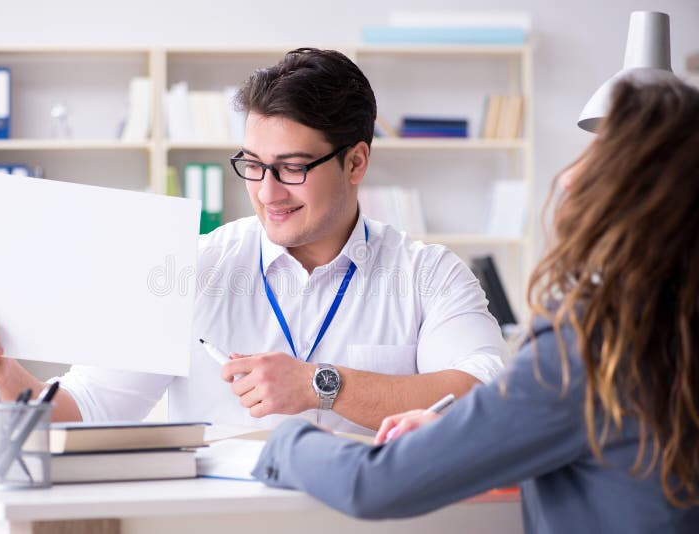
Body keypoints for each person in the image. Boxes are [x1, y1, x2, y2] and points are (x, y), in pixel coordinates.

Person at [0, 48, 506, 435]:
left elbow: (489, 393)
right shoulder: (187, 267)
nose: (267, 192)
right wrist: (3, 376)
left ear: (356, 160)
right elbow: (87, 408)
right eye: (253, 165)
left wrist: (321, 385)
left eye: (291, 168)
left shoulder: (427, 274)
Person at [252, 77, 699, 530]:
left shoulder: (587, 351)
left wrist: (283, 438)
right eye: (253, 164)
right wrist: (461, 438)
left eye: (601, 154)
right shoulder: (670, 327)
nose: (568, 176)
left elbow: (375, 483)